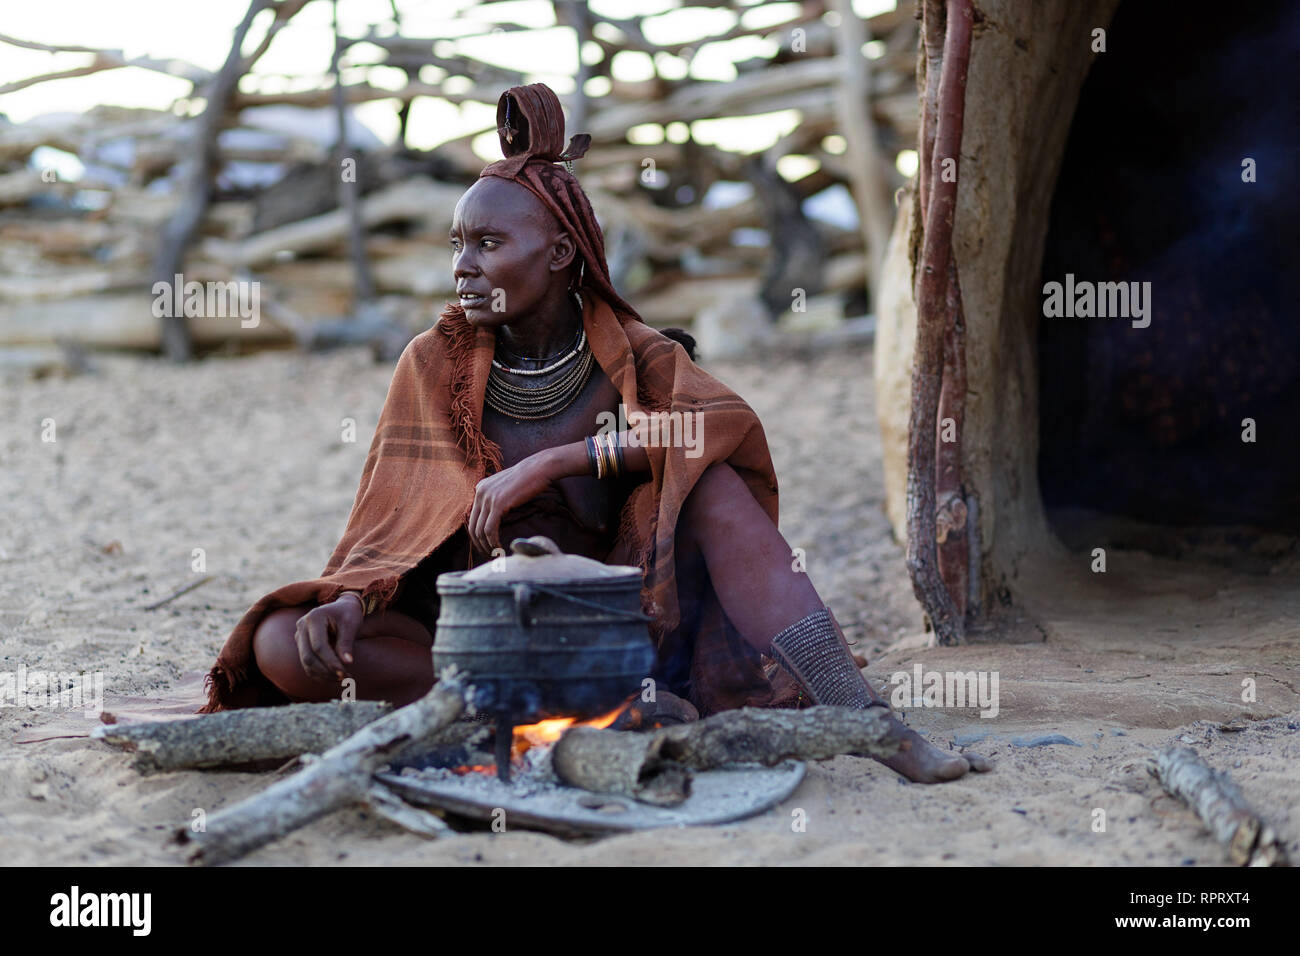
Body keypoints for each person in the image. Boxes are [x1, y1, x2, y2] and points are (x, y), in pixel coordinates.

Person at [200, 83, 975, 783]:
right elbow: (393, 521)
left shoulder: (637, 356)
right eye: (457, 245)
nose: (463, 267)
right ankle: (545, 710)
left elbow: (724, 424)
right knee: (280, 639)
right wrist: (350, 602)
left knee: (714, 489)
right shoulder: (432, 363)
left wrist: (564, 461)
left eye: (489, 244)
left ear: (563, 253)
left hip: (624, 631)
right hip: (478, 633)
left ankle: (868, 719)